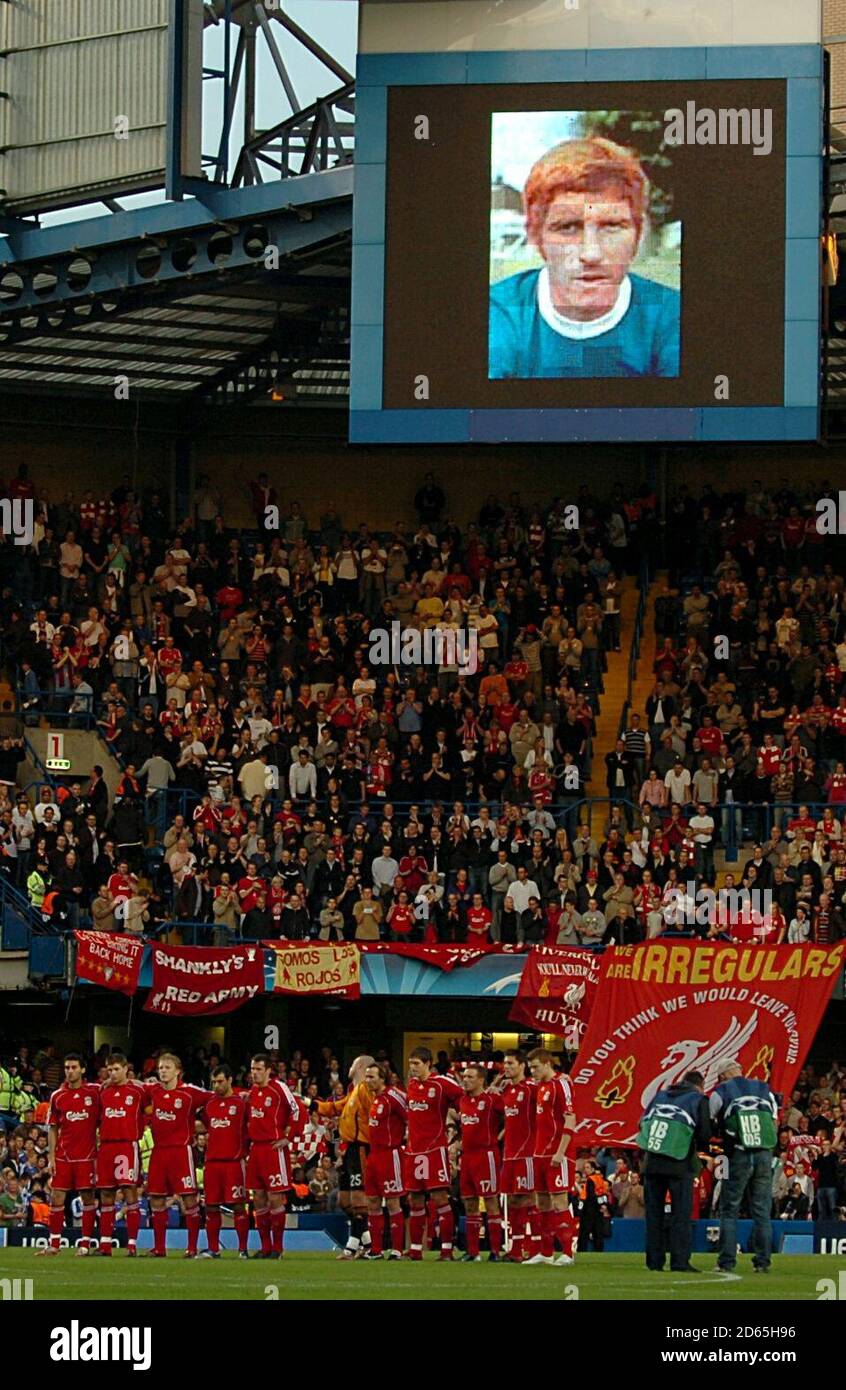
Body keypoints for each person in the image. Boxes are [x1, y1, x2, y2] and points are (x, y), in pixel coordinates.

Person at [489, 136, 680, 380]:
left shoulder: (671, 316)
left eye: (611, 226)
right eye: (568, 227)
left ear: (638, 234)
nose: (591, 253)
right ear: (536, 236)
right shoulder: (499, 312)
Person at [637, 1068, 711, 1273]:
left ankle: (654, 1261)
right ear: (700, 1085)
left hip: (652, 1161)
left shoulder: (660, 1096)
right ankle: (679, 1261)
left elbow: (642, 1123)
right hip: (680, 1162)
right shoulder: (698, 1099)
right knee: (681, 1214)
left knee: (654, 1214)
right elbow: (705, 1133)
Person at [709, 1059, 778, 1274]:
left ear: (722, 1076)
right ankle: (763, 1262)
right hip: (765, 1153)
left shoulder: (720, 1092)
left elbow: (711, 1123)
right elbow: (775, 1121)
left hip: (737, 1153)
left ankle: (726, 1261)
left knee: (729, 1209)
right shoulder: (765, 1089)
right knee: (761, 1210)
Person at [145, 1052, 211, 1259]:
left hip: (181, 1152)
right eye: (160, 1068)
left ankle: (191, 1248)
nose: (163, 1071)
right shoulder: (153, 1090)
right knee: (156, 1198)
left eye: (167, 1067)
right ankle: (159, 1248)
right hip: (159, 1152)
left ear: (178, 1071)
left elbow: (215, 1095)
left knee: (189, 1198)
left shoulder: (189, 1093)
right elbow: (133, 1085)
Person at [403, 1046, 464, 1261]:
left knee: (440, 1198)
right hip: (413, 1152)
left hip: (435, 1150)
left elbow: (466, 1103)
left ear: (428, 1063)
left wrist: (458, 1137)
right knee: (415, 1200)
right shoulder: (411, 1086)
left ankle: (446, 1250)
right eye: (411, 1064)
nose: (412, 1069)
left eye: (416, 1064)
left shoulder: (443, 1084)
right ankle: (416, 1250)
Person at [312, 1054, 374, 1260]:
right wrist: (308, 1103)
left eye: (355, 1063)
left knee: (358, 1199)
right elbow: (333, 1108)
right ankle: (368, 1242)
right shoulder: (354, 1092)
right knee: (344, 1200)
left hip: (361, 1149)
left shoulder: (366, 1090)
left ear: (362, 1068)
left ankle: (351, 1247)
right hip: (349, 1151)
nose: (350, 1065)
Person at [39, 1052, 100, 1256]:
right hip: (64, 1155)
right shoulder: (58, 1096)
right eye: (67, 1068)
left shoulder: (94, 1092)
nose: (70, 1071)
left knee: (87, 1198)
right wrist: (51, 1158)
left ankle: (84, 1243)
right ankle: (54, 1244)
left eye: (74, 1067)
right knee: (57, 1197)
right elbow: (53, 1128)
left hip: (87, 1155)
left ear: (82, 1069)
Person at [245, 1052, 299, 1260]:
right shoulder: (253, 1091)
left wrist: (289, 1137)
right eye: (252, 1069)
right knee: (258, 1198)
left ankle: (278, 1247)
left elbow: (296, 1111)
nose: (255, 1073)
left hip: (273, 1149)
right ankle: (265, 1247)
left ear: (268, 1070)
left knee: (275, 1197)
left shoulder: (279, 1088)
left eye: (258, 1069)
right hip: (256, 1150)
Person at [526, 1048, 577, 1266]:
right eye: (530, 1068)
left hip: (558, 1153)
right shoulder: (541, 1087)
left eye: (536, 1067)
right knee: (543, 1202)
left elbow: (570, 1119)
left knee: (560, 1200)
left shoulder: (561, 1084)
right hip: (540, 1152)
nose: (533, 1072)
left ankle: (567, 1253)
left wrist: (560, 1152)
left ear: (548, 1063)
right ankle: (546, 1252)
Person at [92, 1050, 145, 1258]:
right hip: (106, 1146)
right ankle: (105, 1244)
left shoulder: (138, 1091)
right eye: (109, 1069)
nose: (112, 1073)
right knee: (106, 1194)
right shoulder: (102, 1092)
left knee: (129, 1190)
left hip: (126, 1145)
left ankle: (132, 1244)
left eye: (116, 1069)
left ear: (126, 1069)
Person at [199, 1063, 250, 1259]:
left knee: (238, 1205)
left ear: (230, 1080)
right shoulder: (210, 1105)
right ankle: (213, 1249)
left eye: (220, 1082)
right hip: (212, 1162)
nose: (217, 1086)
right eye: (214, 1082)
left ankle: (243, 1249)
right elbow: (205, 1125)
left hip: (234, 1162)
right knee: (211, 1205)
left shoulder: (242, 1103)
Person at [458, 1063, 505, 1262]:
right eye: (464, 1076)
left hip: (486, 1155)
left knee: (491, 1201)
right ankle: (473, 1252)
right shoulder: (462, 1101)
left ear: (480, 1080)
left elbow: (511, 1118)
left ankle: (495, 1251)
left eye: (470, 1076)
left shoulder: (492, 1099)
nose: (465, 1080)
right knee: (469, 1203)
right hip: (467, 1157)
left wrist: (499, 1137)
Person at [362, 1061, 406, 1260]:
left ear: (382, 1078)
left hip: (390, 1154)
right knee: (372, 1201)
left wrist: (407, 1140)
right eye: (367, 1076)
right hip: (374, 1155)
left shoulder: (393, 1096)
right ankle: (376, 1250)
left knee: (392, 1202)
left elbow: (411, 1117)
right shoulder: (376, 1098)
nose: (367, 1080)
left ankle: (397, 1250)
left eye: (371, 1077)